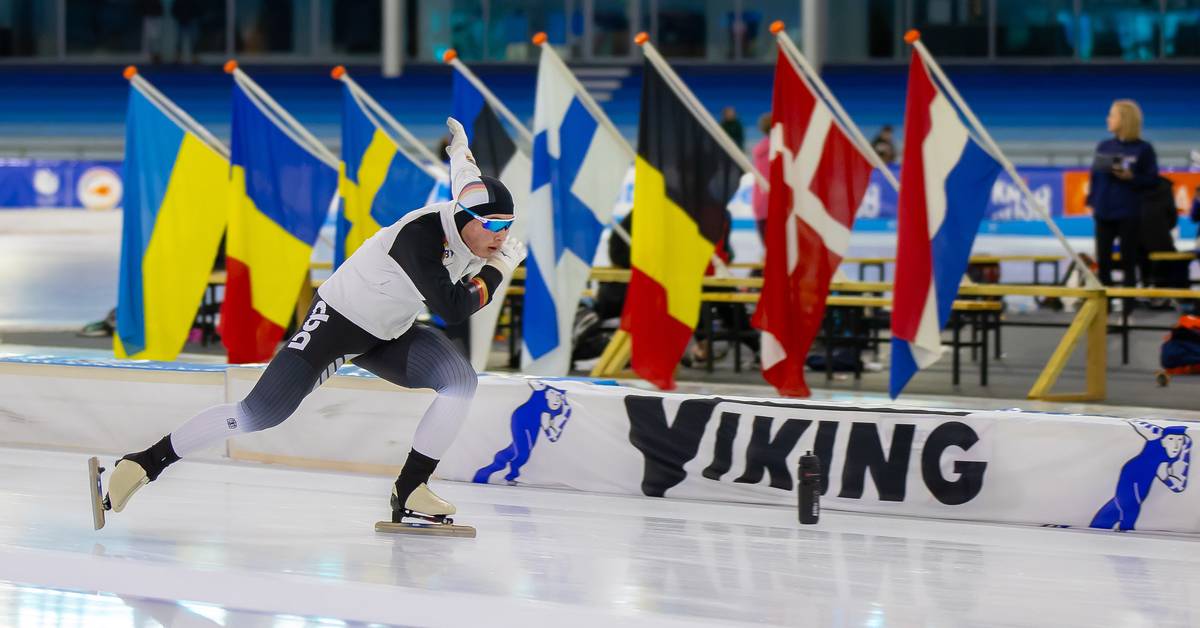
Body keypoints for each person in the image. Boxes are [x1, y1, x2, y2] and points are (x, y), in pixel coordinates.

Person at [98, 118, 526, 531]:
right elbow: (452, 308)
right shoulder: (421, 237)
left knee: (460, 381)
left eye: (506, 227)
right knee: (258, 414)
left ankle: (411, 487)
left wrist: (458, 151)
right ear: (463, 216)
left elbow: (465, 175)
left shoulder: (470, 206)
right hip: (337, 323)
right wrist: (498, 269)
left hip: (388, 331)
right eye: (491, 226)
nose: (499, 237)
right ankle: (142, 463)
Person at [1087, 99, 1158, 288]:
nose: (1107, 119)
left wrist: (1131, 177)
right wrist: (1092, 201)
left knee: (1129, 262)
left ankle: (1128, 308)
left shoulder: (1144, 149)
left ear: (1124, 119)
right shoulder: (1103, 146)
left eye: (1112, 115)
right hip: (1103, 213)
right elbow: (1094, 177)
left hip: (1129, 214)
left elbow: (1152, 181)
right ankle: (1105, 308)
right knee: (1103, 263)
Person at [751, 113, 771, 245]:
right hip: (775, 206)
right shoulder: (781, 148)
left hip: (760, 205)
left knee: (769, 250)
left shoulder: (759, 148)